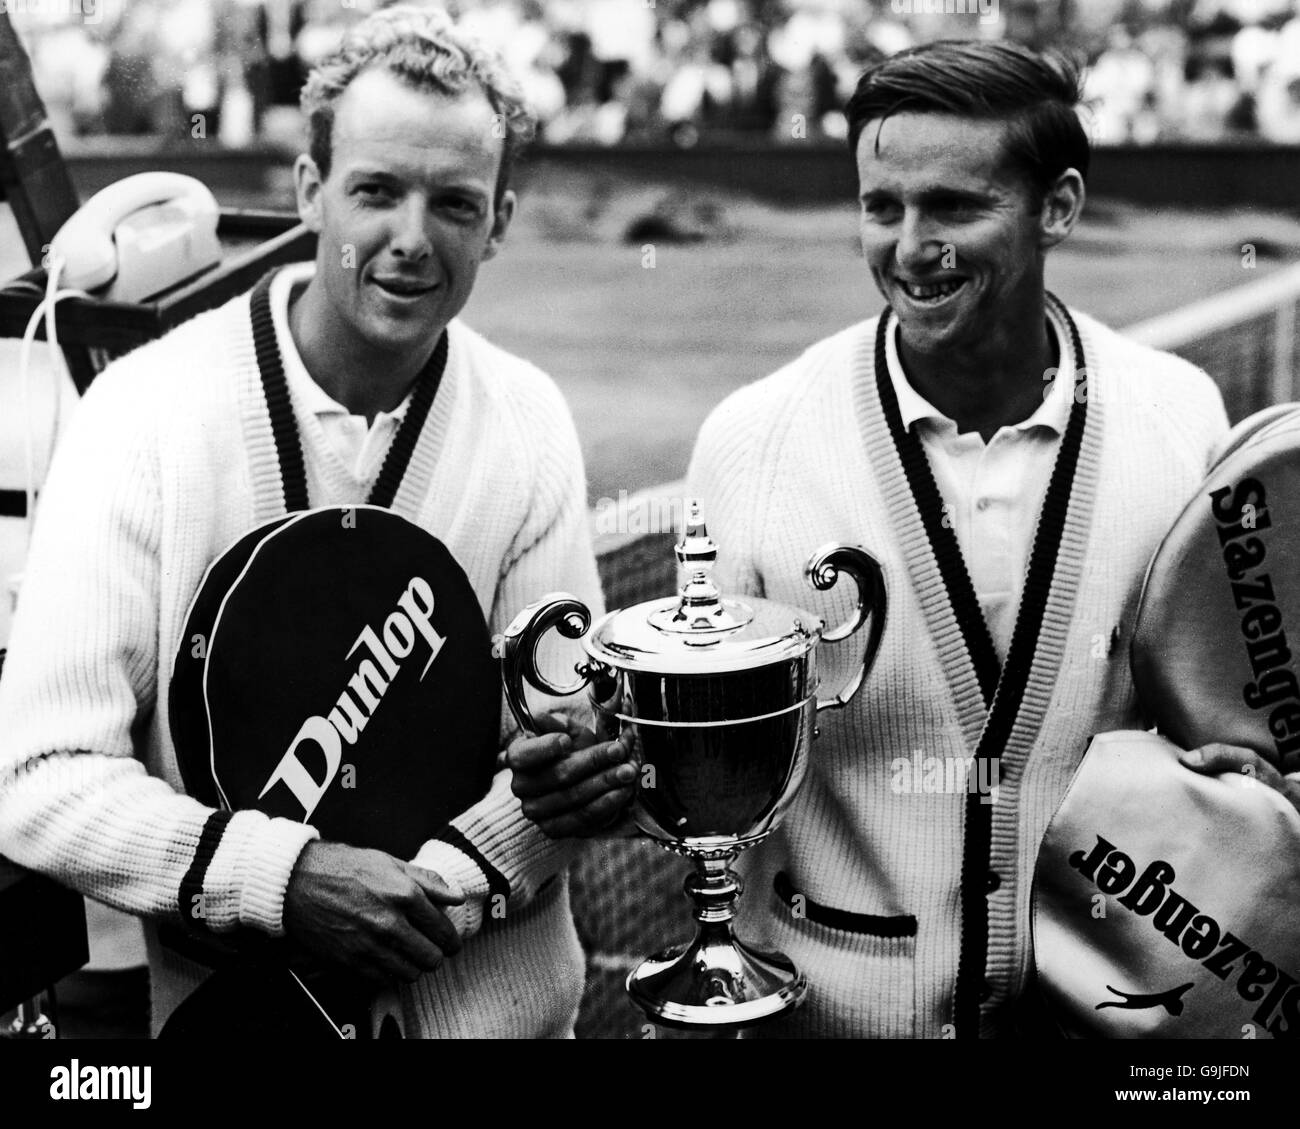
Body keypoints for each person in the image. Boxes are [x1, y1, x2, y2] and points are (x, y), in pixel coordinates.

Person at [510, 39, 1296, 1039]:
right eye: (882, 207)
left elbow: (1211, 712)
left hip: (1101, 1028)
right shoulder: (755, 439)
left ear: (1058, 205)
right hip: (827, 1021)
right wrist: (600, 774)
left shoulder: (1180, 417)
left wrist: (1244, 780)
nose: (910, 246)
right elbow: (704, 770)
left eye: (956, 207)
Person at [0, 5, 634, 1039]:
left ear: (502, 219)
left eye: (456, 205)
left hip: (496, 1016)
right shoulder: (147, 412)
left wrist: (458, 872)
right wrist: (282, 880)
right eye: (376, 191)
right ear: (310, 192)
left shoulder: (525, 418)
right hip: (242, 1029)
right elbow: (36, 777)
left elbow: (555, 745)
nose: (411, 241)